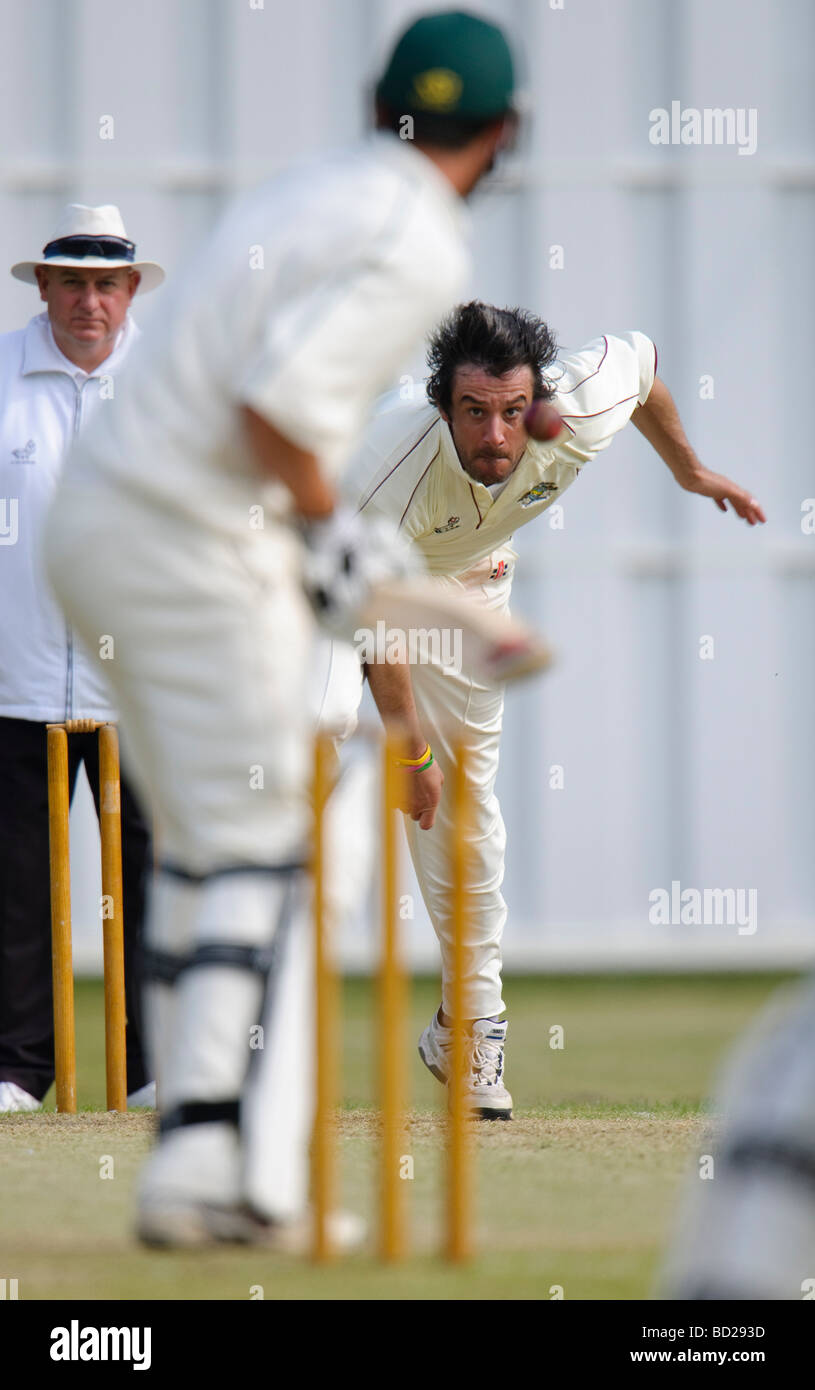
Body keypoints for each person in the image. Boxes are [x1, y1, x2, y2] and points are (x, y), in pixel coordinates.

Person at [43, 11, 520, 1249]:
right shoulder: (422, 236)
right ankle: (245, 1173)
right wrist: (354, 561)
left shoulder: (306, 188)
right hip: (183, 542)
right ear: (504, 136)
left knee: (215, 850)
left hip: (95, 534)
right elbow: (277, 416)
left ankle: (197, 1163)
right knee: (293, 851)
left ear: (378, 107)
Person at [328, 300, 766, 1120]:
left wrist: (688, 471)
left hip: (464, 581)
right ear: (441, 406)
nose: (494, 437)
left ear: (534, 403)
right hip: (333, 581)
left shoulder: (582, 404)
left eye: (507, 413)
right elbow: (367, 614)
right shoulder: (388, 468)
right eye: (471, 414)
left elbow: (642, 374)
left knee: (465, 820)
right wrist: (408, 750)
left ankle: (470, 1028)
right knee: (308, 766)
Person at [0, 205, 163, 1113]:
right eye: (72, 284)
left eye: (106, 285)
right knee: (19, 889)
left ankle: (147, 1070)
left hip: (138, 690)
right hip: (15, 681)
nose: (89, 302)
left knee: (145, 885)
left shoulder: (166, 388)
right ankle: (20, 1068)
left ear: (130, 291)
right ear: (44, 288)